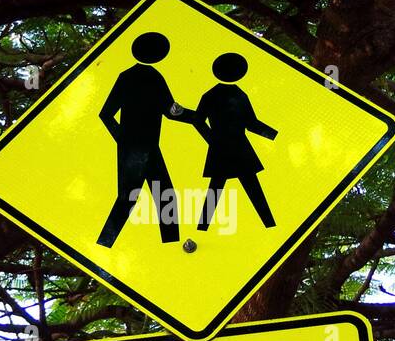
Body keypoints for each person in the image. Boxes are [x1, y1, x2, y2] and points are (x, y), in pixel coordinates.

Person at [95, 32, 195, 248]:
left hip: (148, 147)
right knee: (130, 198)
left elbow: (170, 110)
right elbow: (106, 114)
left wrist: (198, 116)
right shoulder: (137, 76)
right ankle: (103, 244)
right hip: (134, 149)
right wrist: (123, 139)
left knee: (163, 197)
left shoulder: (146, 76)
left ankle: (171, 249)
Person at [194, 52, 278, 231]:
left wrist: (275, 135)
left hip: (233, 149)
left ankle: (270, 225)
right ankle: (269, 225)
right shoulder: (235, 94)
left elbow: (251, 124)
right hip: (235, 148)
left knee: (228, 188)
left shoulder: (221, 94)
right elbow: (252, 124)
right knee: (226, 188)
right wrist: (211, 139)